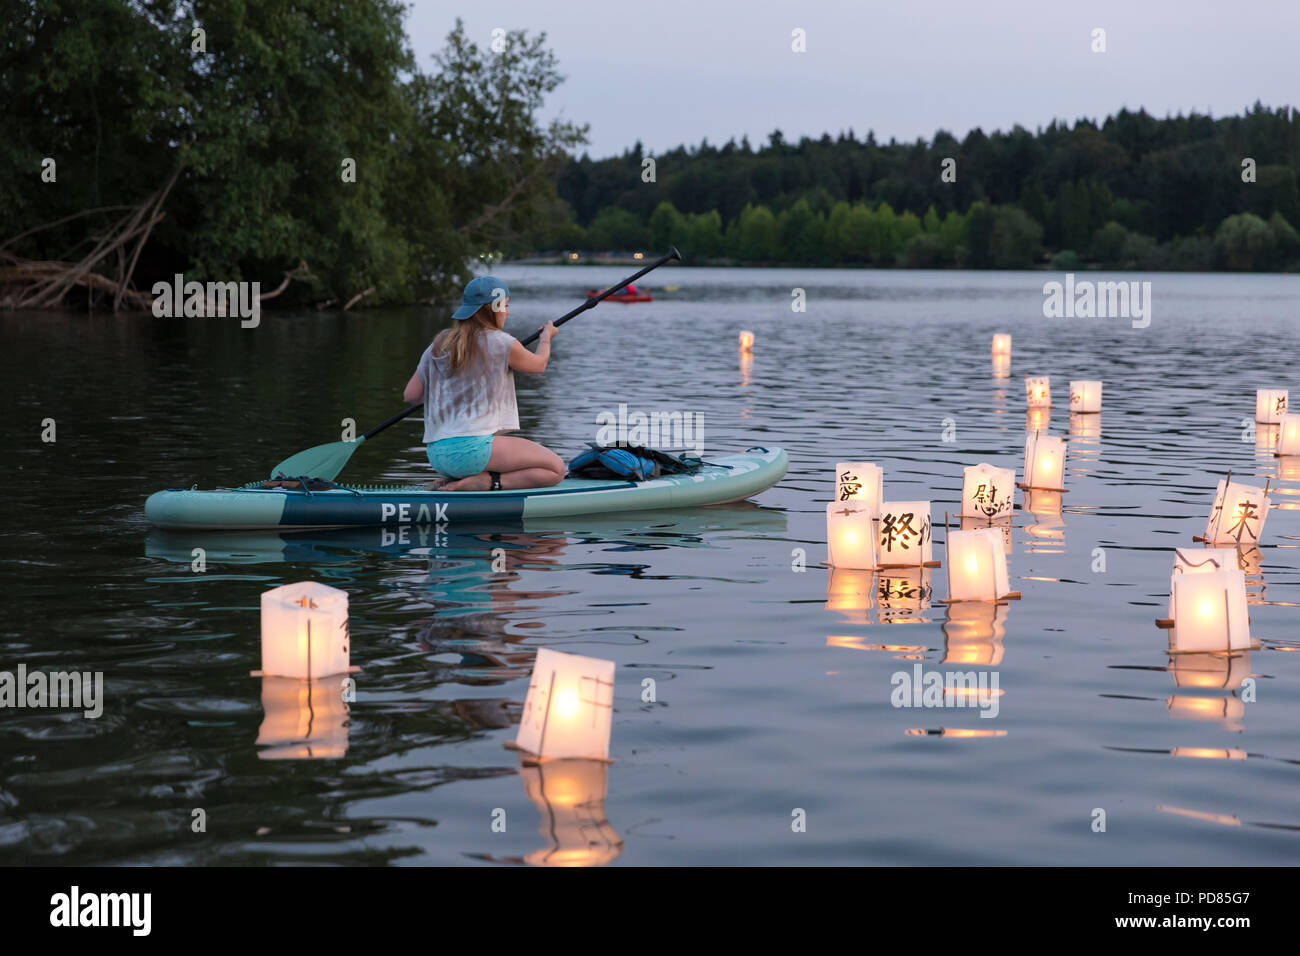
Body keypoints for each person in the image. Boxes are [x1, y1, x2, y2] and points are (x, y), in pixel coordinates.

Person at [403, 276, 564, 491]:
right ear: (495, 308)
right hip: (473, 452)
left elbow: (411, 395)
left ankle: (456, 480)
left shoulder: (440, 343)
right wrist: (546, 337)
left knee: (490, 453)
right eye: (505, 306)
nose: (507, 312)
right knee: (556, 469)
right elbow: (539, 365)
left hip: (438, 454)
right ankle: (488, 482)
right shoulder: (503, 342)